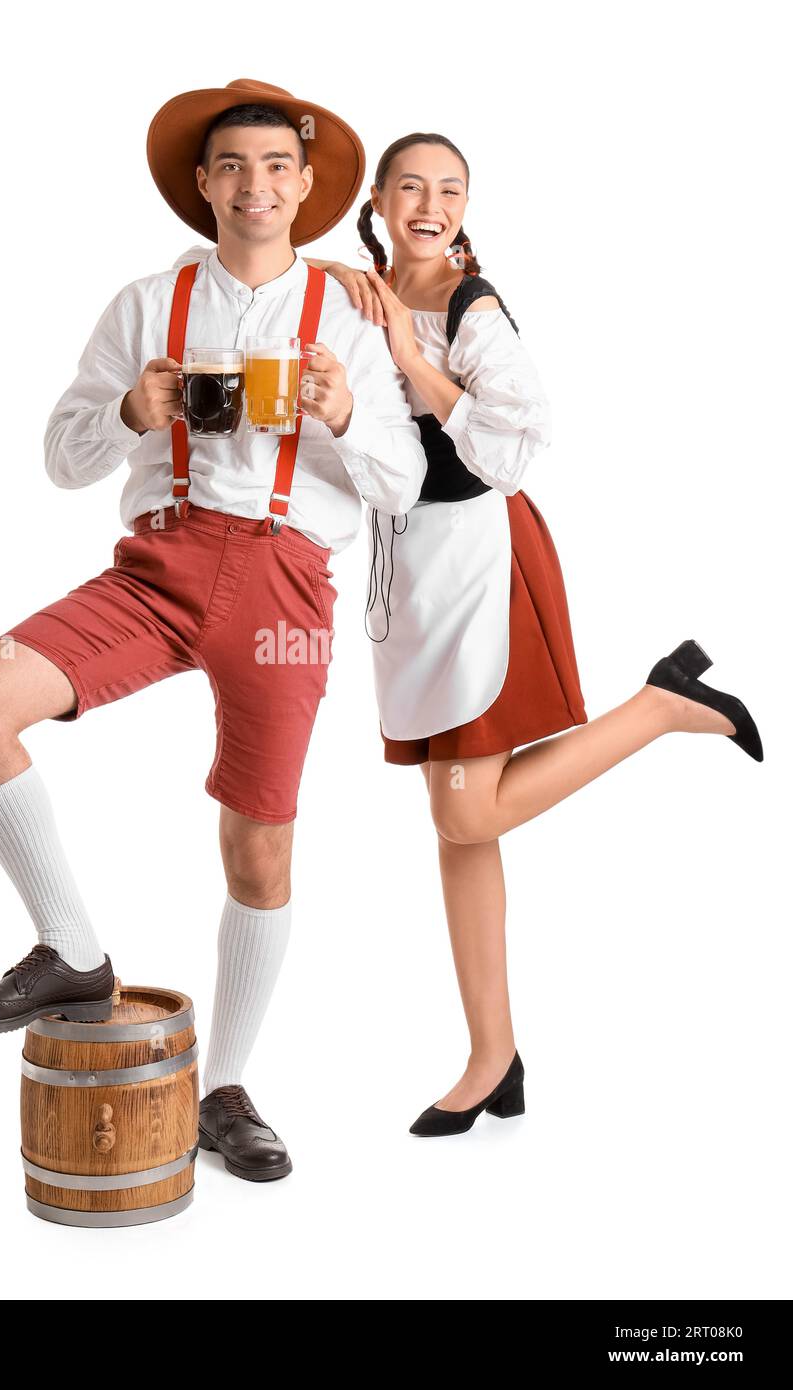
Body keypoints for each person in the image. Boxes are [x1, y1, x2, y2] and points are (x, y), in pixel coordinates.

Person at [0, 80, 426, 1182]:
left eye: (277, 167)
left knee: (261, 843)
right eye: (234, 168)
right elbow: (61, 461)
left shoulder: (347, 316)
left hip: (286, 588)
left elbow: (400, 485)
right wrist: (126, 414)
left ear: (302, 185)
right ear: (203, 186)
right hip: (157, 567)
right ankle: (75, 952)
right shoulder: (146, 304)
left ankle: (227, 1088)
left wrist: (344, 412)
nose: (257, 186)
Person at [306, 131, 763, 1136]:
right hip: (408, 573)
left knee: (469, 814)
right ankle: (492, 1055)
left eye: (451, 189)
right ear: (376, 200)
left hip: (479, 560)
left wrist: (410, 358)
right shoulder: (356, 289)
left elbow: (521, 436)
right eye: (410, 187)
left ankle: (659, 706)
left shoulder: (475, 309)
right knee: (457, 823)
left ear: (468, 205)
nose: (431, 203)